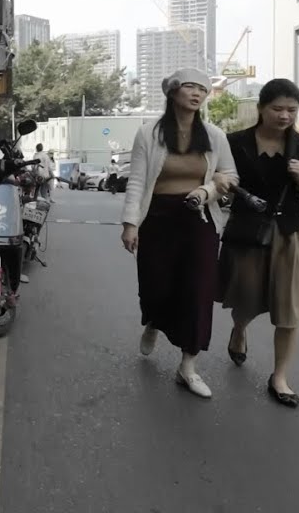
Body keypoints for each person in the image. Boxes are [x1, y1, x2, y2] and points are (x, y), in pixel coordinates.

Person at [120, 68, 237, 399]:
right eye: (190, 86)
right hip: (157, 217)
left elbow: (229, 176)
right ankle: (154, 320)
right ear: (172, 92)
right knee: (156, 286)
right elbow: (137, 181)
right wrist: (131, 223)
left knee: (198, 290)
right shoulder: (148, 133)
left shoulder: (214, 135)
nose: (197, 93)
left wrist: (207, 191)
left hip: (199, 217)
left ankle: (188, 366)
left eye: (202, 88)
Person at [216, 78, 299, 409]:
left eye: (291, 110)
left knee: (290, 309)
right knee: (246, 299)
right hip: (248, 232)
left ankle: (279, 377)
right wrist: (221, 184)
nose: (284, 116)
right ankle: (239, 330)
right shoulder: (235, 142)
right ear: (261, 108)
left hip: (291, 233)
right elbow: (219, 180)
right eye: (277, 109)